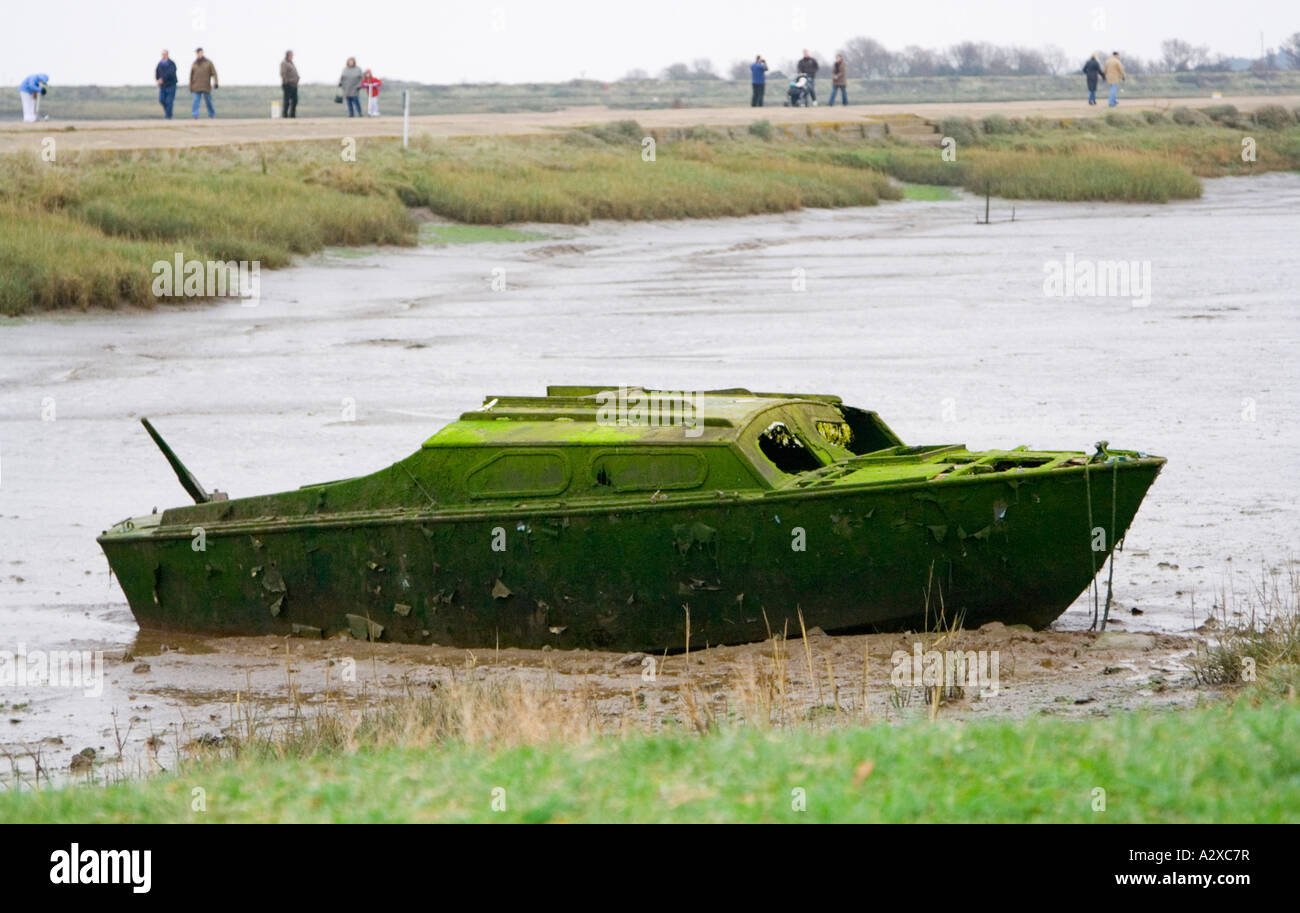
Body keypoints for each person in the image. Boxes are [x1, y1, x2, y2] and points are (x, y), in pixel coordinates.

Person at [190, 48, 218, 118]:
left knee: (209, 102)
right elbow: (191, 76)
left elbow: (214, 73)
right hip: (196, 86)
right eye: (198, 53)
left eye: (200, 52)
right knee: (195, 101)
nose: (199, 54)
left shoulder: (208, 62)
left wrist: (216, 83)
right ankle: (195, 115)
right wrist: (191, 86)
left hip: (206, 85)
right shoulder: (194, 63)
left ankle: (212, 115)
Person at [155, 50, 177, 119]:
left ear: (167, 55)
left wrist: (162, 79)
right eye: (162, 54)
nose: (163, 56)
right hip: (162, 86)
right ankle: (168, 113)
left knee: (169, 101)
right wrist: (158, 79)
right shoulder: (160, 63)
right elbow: (157, 73)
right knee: (161, 100)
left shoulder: (171, 63)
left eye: (164, 54)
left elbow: (171, 73)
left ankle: (168, 116)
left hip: (171, 85)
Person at [280, 50, 299, 118]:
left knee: (295, 100)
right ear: (288, 55)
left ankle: (292, 115)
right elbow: (283, 74)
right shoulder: (284, 63)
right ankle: (285, 115)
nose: (292, 56)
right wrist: (286, 82)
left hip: (294, 85)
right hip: (288, 85)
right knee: (287, 101)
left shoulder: (291, 63)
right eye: (291, 55)